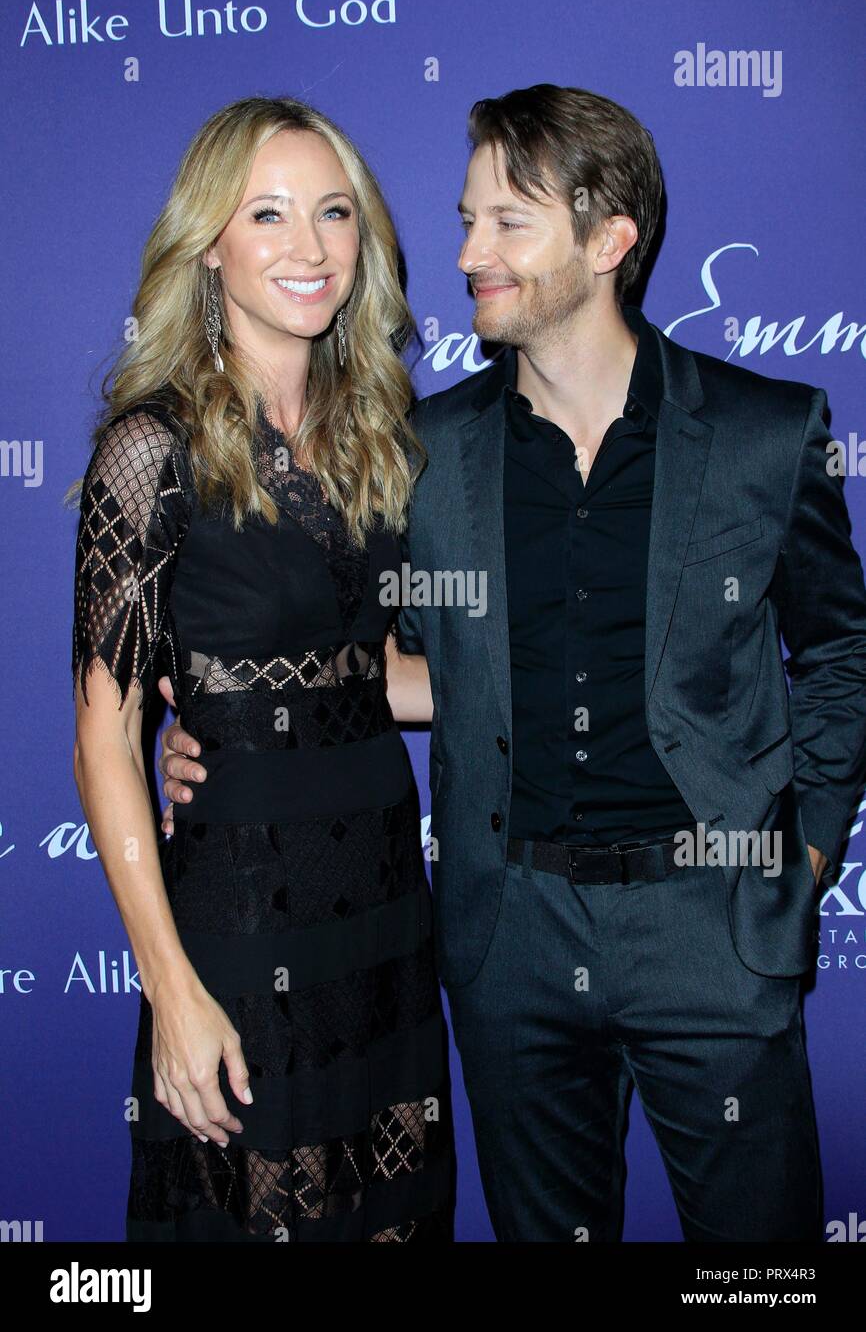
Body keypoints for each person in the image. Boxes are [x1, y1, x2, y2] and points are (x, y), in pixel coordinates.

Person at [157, 84, 866, 1243]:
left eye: (504, 222)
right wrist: (221, 726)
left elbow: (838, 649)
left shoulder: (761, 433)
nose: (465, 252)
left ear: (607, 240)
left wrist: (808, 845)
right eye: (464, 219)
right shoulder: (424, 453)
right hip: (509, 943)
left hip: (714, 930)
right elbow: (361, 657)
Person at [70, 95, 455, 1243]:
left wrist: (571, 668)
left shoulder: (377, 433)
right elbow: (106, 736)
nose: (308, 248)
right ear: (210, 245)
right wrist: (172, 991)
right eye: (269, 214)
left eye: (333, 213)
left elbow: (376, 678)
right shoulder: (153, 447)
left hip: (385, 911)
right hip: (243, 918)